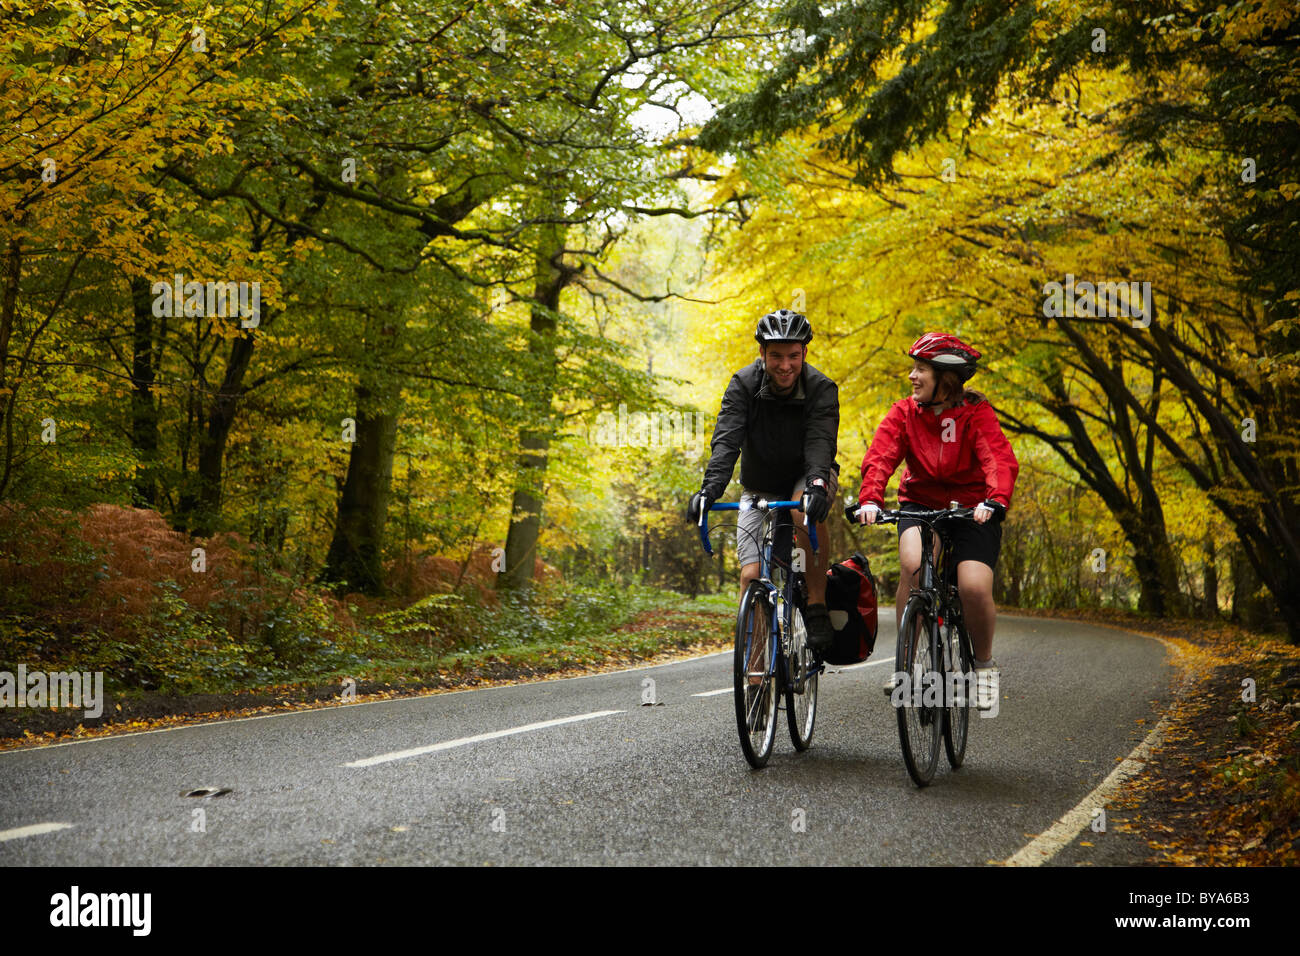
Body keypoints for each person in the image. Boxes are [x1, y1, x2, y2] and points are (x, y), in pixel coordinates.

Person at [856, 332, 1018, 710]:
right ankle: (907, 665)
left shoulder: (977, 413)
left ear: (945, 378)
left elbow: (997, 458)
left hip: (973, 509)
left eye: (921, 369)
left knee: (974, 586)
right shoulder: (903, 413)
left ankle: (983, 667)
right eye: (914, 368)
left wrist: (995, 500)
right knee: (913, 565)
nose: (913, 376)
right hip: (920, 504)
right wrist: (870, 499)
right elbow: (880, 457)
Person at [687, 309, 840, 656]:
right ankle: (755, 674)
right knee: (750, 575)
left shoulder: (821, 388)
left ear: (804, 354)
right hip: (760, 484)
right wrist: (709, 490)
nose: (785, 365)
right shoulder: (743, 385)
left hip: (808, 474)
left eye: (793, 356)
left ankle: (815, 606)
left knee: (804, 510)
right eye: (776, 356)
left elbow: (820, 442)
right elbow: (726, 442)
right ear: (762, 355)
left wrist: (817, 485)